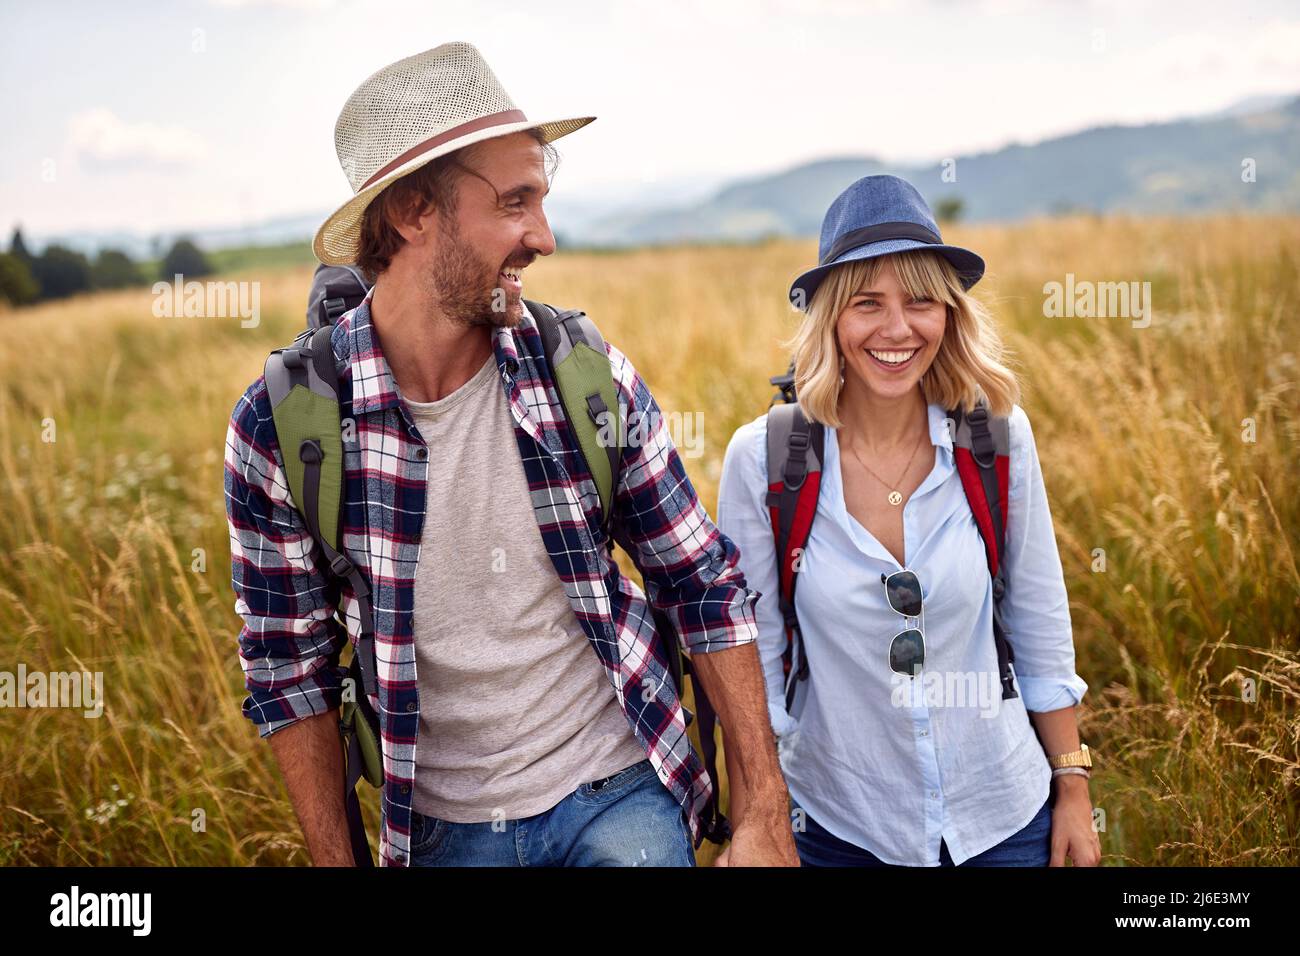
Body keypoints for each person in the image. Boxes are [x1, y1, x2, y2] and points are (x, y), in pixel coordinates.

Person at [223, 42, 798, 867]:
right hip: (439, 831)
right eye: (515, 202)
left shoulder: (585, 378)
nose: (545, 237)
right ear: (413, 213)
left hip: (619, 791)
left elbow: (699, 582)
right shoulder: (283, 428)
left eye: (542, 199)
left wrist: (763, 812)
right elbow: (288, 669)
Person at [716, 174, 1101, 867]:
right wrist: (756, 824)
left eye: (921, 302)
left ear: (949, 315)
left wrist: (1071, 789)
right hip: (838, 827)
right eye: (867, 304)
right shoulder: (765, 460)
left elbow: (1041, 625)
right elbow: (757, 666)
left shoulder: (999, 443)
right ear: (832, 319)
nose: (897, 329)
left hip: (1004, 820)